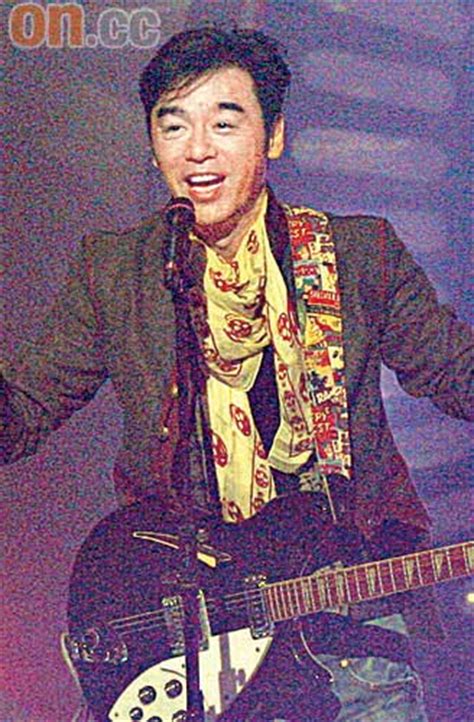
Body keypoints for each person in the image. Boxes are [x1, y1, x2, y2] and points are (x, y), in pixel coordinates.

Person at [1, 25, 472, 722]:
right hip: (192, 631)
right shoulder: (119, 270)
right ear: (153, 144)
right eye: (174, 126)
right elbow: (25, 408)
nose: (198, 150)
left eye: (224, 123)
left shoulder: (356, 254)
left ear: (272, 135)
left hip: (349, 621)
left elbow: (457, 371)